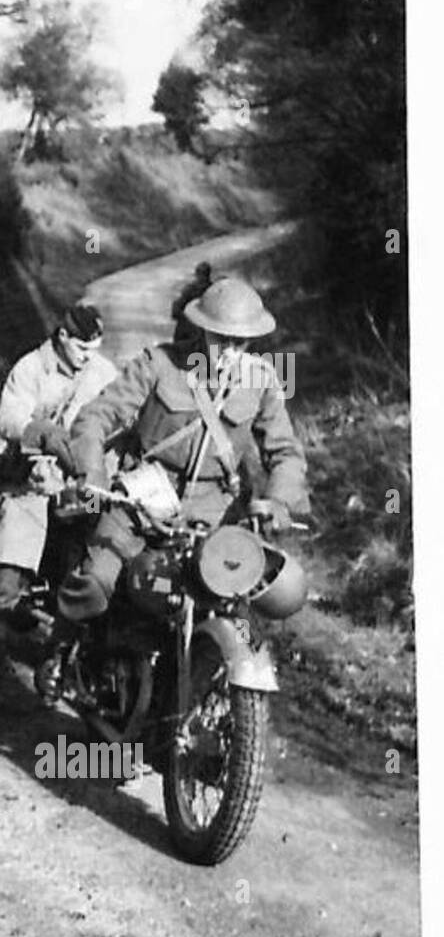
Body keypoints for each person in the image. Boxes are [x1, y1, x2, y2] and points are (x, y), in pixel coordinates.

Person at [41, 276, 309, 695]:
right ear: (202, 331)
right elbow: (96, 418)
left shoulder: (262, 382)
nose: (232, 353)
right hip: (139, 503)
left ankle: (216, 698)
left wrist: (277, 501)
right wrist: (92, 474)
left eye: (242, 344)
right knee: (97, 583)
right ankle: (64, 647)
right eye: (222, 341)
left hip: (215, 515)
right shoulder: (159, 364)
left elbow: (286, 453)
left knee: (239, 601)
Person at [0, 302, 118, 620]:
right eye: (82, 347)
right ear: (63, 336)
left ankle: (76, 646)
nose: (88, 355)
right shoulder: (31, 367)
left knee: (100, 557)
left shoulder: (102, 372)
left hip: (78, 485)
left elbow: (119, 418)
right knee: (7, 575)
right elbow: (7, 417)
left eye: (95, 348)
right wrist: (38, 431)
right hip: (27, 485)